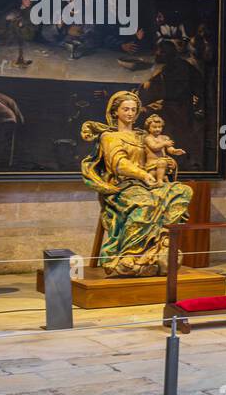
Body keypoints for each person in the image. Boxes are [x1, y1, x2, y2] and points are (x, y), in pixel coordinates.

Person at [80, 90, 193, 277]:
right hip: (122, 186)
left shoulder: (143, 136)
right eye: (126, 109)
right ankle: (130, 256)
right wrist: (141, 174)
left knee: (182, 192)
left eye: (133, 109)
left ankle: (160, 244)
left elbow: (155, 156)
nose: (130, 113)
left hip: (149, 182)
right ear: (115, 112)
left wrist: (167, 164)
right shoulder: (110, 137)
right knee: (145, 204)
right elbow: (119, 163)